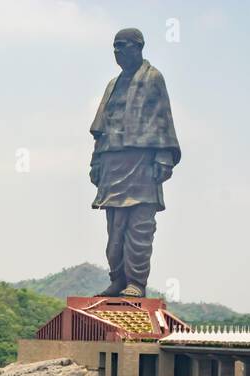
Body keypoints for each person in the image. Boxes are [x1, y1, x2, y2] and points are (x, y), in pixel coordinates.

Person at [89, 27, 181, 298]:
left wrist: (163, 157)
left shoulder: (153, 78)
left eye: (122, 46)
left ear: (138, 47)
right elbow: (101, 129)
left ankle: (136, 283)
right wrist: (96, 162)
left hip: (141, 163)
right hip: (112, 163)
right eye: (114, 47)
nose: (117, 52)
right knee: (114, 231)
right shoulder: (113, 84)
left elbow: (163, 119)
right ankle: (117, 279)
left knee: (140, 227)